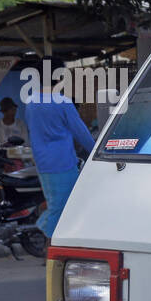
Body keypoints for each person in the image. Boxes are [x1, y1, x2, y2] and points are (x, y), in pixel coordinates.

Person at [23, 59, 95, 239]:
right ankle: (43, 238)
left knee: (55, 203)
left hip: (42, 161)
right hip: (62, 161)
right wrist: (97, 151)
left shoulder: (31, 101)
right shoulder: (62, 102)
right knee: (62, 207)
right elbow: (82, 133)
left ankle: (46, 241)